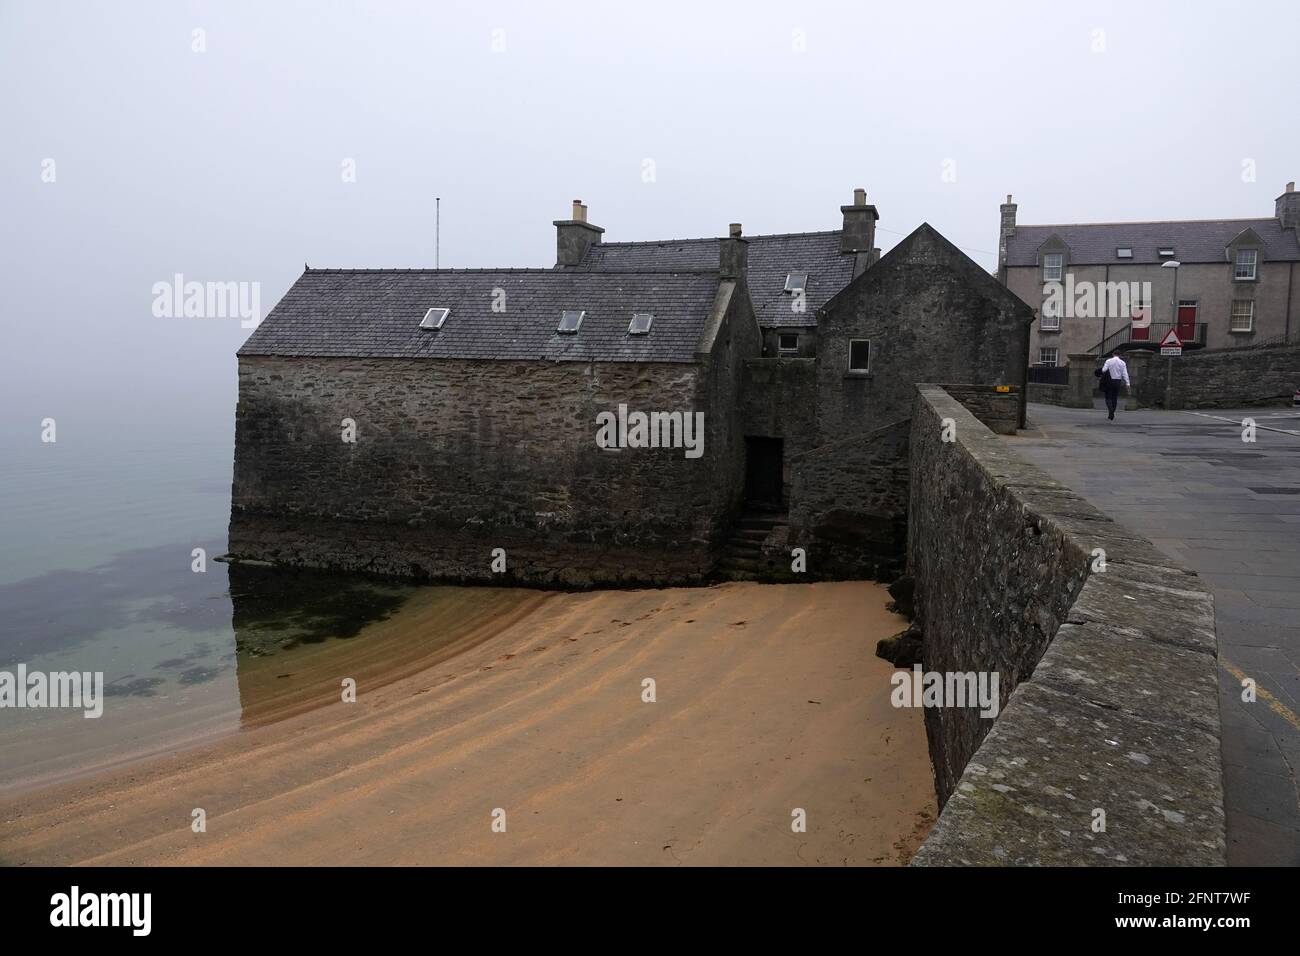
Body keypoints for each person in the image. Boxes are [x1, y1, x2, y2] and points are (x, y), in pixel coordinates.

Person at [1098, 349, 1130, 421]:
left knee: (1108, 397)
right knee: (1114, 397)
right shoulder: (1122, 363)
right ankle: (1112, 412)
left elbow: (1104, 370)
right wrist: (1127, 383)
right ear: (1120, 355)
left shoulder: (1108, 361)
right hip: (1118, 381)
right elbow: (1125, 374)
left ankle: (1111, 412)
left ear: (1113, 354)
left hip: (1109, 380)